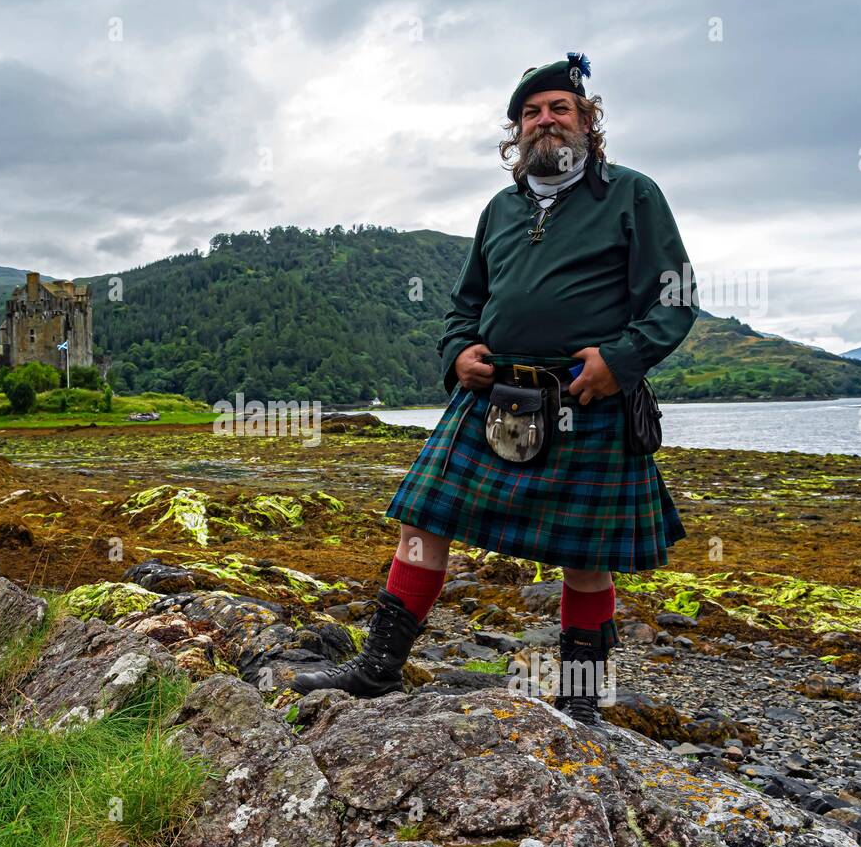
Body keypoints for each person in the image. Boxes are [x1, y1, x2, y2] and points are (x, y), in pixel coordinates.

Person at [291, 52, 699, 724]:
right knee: (422, 522)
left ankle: (579, 704)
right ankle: (377, 668)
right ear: (516, 131)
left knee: (587, 557)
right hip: (492, 397)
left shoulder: (632, 195)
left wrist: (619, 361)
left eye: (559, 109)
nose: (545, 120)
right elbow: (464, 305)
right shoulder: (500, 209)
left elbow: (676, 302)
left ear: (587, 122)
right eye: (531, 112)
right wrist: (457, 353)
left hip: (587, 398)